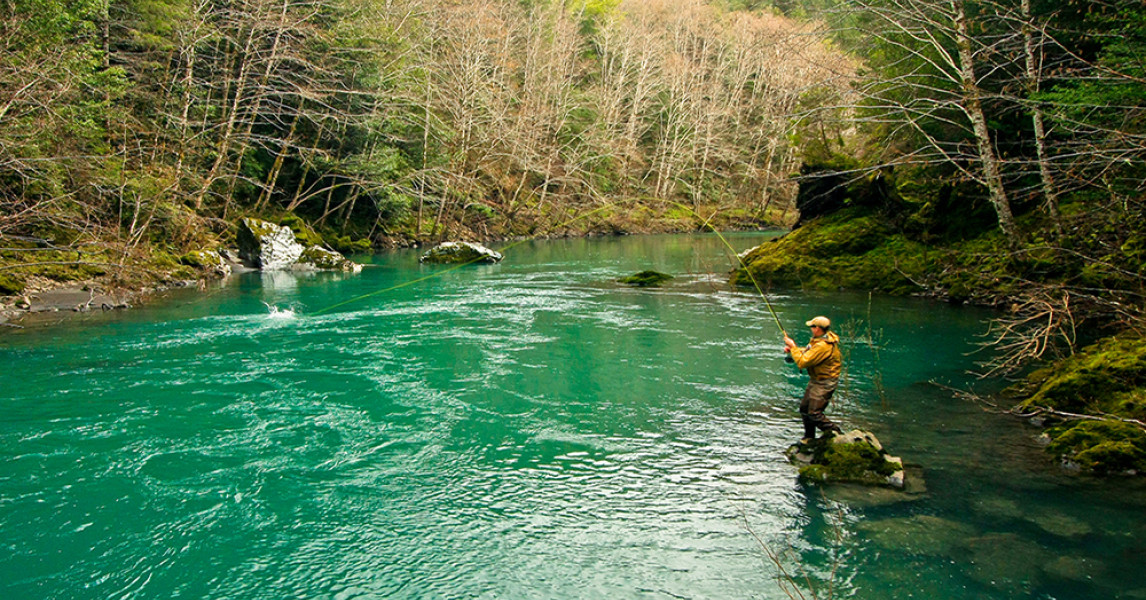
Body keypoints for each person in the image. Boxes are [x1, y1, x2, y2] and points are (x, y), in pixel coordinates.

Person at [783, 315, 844, 442]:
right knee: (804, 409)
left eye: (812, 326)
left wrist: (793, 347)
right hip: (817, 380)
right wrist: (794, 351)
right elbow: (810, 352)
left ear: (817, 329)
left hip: (825, 382)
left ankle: (836, 434)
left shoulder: (823, 345)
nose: (810, 328)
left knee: (814, 413)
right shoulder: (821, 339)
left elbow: (803, 363)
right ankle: (809, 437)